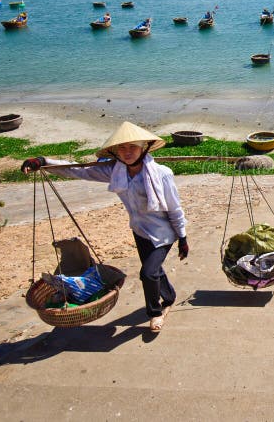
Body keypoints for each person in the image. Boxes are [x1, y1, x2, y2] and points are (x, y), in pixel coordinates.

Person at [21, 121, 188, 333]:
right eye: (122, 148)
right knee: (153, 270)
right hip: (140, 231)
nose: (127, 152)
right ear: (116, 152)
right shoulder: (115, 172)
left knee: (147, 273)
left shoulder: (162, 174)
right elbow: (79, 170)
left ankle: (155, 313)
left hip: (163, 233)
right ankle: (169, 297)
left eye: (133, 147)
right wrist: (43, 161)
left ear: (144, 148)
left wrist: (182, 238)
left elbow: (175, 208)